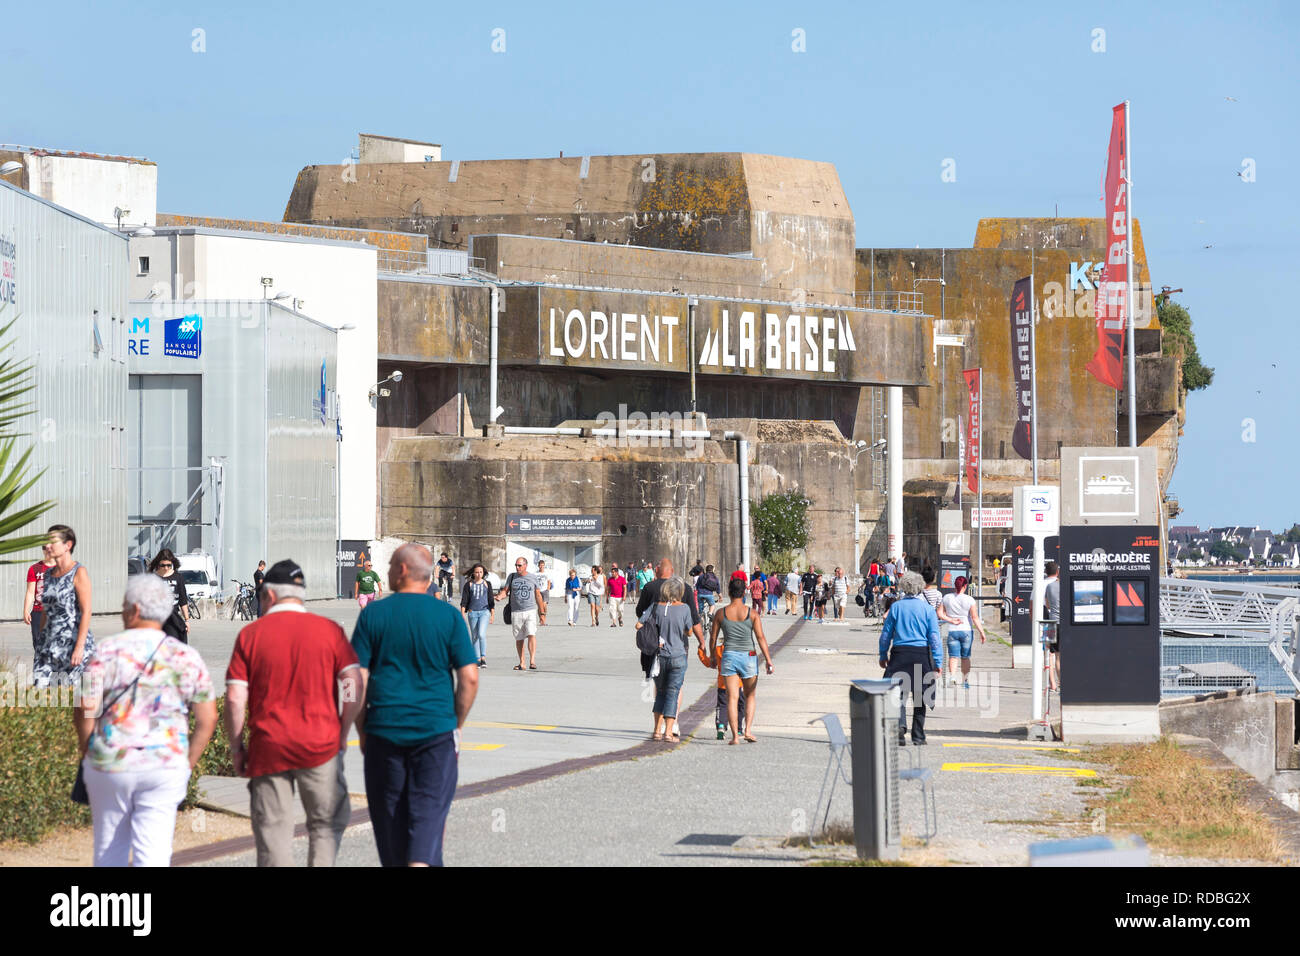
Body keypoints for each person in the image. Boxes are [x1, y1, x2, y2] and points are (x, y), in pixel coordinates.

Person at [225, 560, 362, 867]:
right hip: (321, 745)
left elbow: (235, 698)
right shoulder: (329, 631)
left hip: (268, 746)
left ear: (270, 596)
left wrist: (237, 747)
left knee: (273, 832)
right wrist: (342, 731)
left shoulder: (250, 635)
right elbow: (353, 683)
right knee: (326, 823)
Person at [77, 573, 216, 866]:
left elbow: (85, 706)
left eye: (123, 606)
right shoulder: (186, 656)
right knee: (153, 854)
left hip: (111, 763)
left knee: (108, 851)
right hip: (165, 764)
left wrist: (87, 748)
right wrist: (186, 763)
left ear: (135, 610)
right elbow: (207, 719)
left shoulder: (106, 651)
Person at [351, 544, 478, 867]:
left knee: (390, 819)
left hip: (384, 732)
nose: (387, 571)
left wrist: (362, 729)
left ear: (403, 570)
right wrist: (455, 723)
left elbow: (355, 681)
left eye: (391, 566)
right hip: (435, 733)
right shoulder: (448, 616)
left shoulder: (373, 615)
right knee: (428, 816)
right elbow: (469, 678)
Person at [878, 571, 943, 746]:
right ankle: (918, 735)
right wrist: (938, 662)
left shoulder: (896, 607)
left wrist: (883, 654)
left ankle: (900, 726)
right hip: (921, 654)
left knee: (897, 692)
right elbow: (934, 638)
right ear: (920, 587)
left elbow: (886, 634)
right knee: (921, 695)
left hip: (899, 653)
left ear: (903, 587)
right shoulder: (928, 610)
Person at [636, 576, 702, 742]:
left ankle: (657, 731)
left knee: (660, 693)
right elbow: (689, 632)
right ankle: (668, 733)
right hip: (678, 655)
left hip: (659, 657)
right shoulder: (684, 608)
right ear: (680, 592)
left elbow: (639, 624)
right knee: (673, 693)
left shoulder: (655, 606)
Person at [709, 577, 774, 744]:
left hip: (729, 656)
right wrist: (768, 660)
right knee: (750, 695)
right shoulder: (752, 613)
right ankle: (747, 731)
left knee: (732, 697)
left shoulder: (721, 613)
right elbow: (760, 637)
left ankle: (735, 737)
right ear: (744, 593)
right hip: (749, 656)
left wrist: (713, 657)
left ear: (729, 592)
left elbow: (713, 638)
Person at [34, 525, 94, 688]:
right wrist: (40, 641)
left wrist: (79, 647)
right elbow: (46, 610)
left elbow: (86, 611)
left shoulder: (78, 572)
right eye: (46, 542)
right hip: (48, 646)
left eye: (52, 542)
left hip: (72, 644)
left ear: (68, 545)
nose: (47, 546)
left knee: (71, 696)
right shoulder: (47, 574)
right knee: (40, 692)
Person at [497, 557, 546, 669]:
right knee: (519, 638)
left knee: (531, 634)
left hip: (530, 610)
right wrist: (500, 596)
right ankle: (522, 662)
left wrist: (542, 613)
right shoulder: (512, 577)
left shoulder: (532, 577)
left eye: (519, 565)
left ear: (525, 565)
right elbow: (505, 591)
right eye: (516, 565)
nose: (517, 567)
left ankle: (532, 661)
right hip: (516, 612)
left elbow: (538, 595)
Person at [940, 575, 986, 689]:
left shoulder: (947, 598)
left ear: (954, 585)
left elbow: (940, 613)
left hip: (951, 630)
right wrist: (982, 632)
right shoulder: (969, 600)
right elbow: (975, 617)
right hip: (966, 630)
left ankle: (952, 677)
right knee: (965, 657)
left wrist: (951, 620)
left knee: (953, 656)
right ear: (965, 586)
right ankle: (965, 681)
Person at [149, 548, 190, 644]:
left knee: (174, 644)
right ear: (158, 564)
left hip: (173, 618)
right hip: (157, 619)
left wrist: (187, 620)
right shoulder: (152, 578)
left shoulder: (178, 577)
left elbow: (183, 600)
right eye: (163, 565)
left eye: (168, 565)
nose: (166, 568)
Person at [23, 542, 54, 656]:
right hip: (38, 612)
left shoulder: (64, 568)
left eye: (51, 547)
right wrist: (26, 610)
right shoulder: (35, 569)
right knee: (39, 645)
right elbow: (30, 592)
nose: (48, 550)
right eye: (45, 547)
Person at [460, 563, 494, 666]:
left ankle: (483, 657)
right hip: (472, 613)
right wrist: (462, 614)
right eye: (477, 572)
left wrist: (492, 614)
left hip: (484, 612)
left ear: (483, 573)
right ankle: (477, 659)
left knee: (481, 634)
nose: (479, 574)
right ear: (473, 573)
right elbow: (464, 601)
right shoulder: (468, 585)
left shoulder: (487, 584)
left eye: (480, 572)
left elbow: (491, 600)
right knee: (474, 636)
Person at [1044, 560, 1061, 692]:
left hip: (1050, 622)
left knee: (1051, 654)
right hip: (1064, 623)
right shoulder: (1066, 585)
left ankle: (1055, 683)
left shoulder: (1048, 586)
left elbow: (1048, 604)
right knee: (1062, 656)